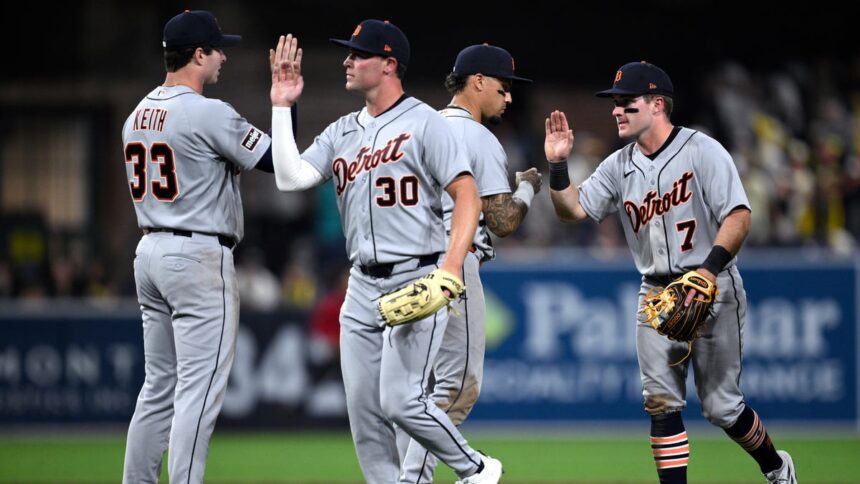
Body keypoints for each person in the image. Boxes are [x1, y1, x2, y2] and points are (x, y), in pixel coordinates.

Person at [267, 20, 503, 484]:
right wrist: (280, 107)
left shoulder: (426, 123)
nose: (347, 61)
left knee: (401, 400)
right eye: (349, 53)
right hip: (360, 283)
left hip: (418, 274)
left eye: (359, 54)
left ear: (390, 64)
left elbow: (468, 196)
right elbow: (289, 177)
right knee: (365, 415)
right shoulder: (341, 131)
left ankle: (476, 468)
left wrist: (451, 270)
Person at [544, 61, 797, 484]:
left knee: (723, 408)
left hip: (712, 286)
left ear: (657, 104)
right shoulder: (617, 165)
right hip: (656, 293)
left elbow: (738, 216)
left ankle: (776, 466)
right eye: (615, 103)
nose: (616, 110)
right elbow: (572, 210)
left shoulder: (703, 150)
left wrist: (709, 272)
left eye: (626, 102)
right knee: (660, 402)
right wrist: (557, 165)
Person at [121, 10, 285, 483]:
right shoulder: (208, 112)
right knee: (198, 390)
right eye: (217, 48)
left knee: (158, 387)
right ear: (198, 54)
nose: (223, 56)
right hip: (195, 257)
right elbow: (278, 161)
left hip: (149, 251)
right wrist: (282, 104)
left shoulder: (136, 114)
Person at [397, 44, 541, 483]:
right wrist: (528, 188)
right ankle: (413, 480)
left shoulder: (418, 127)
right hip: (453, 262)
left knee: (414, 391)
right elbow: (501, 221)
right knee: (458, 385)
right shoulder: (478, 136)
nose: (509, 97)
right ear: (477, 81)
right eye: (503, 87)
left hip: (406, 259)